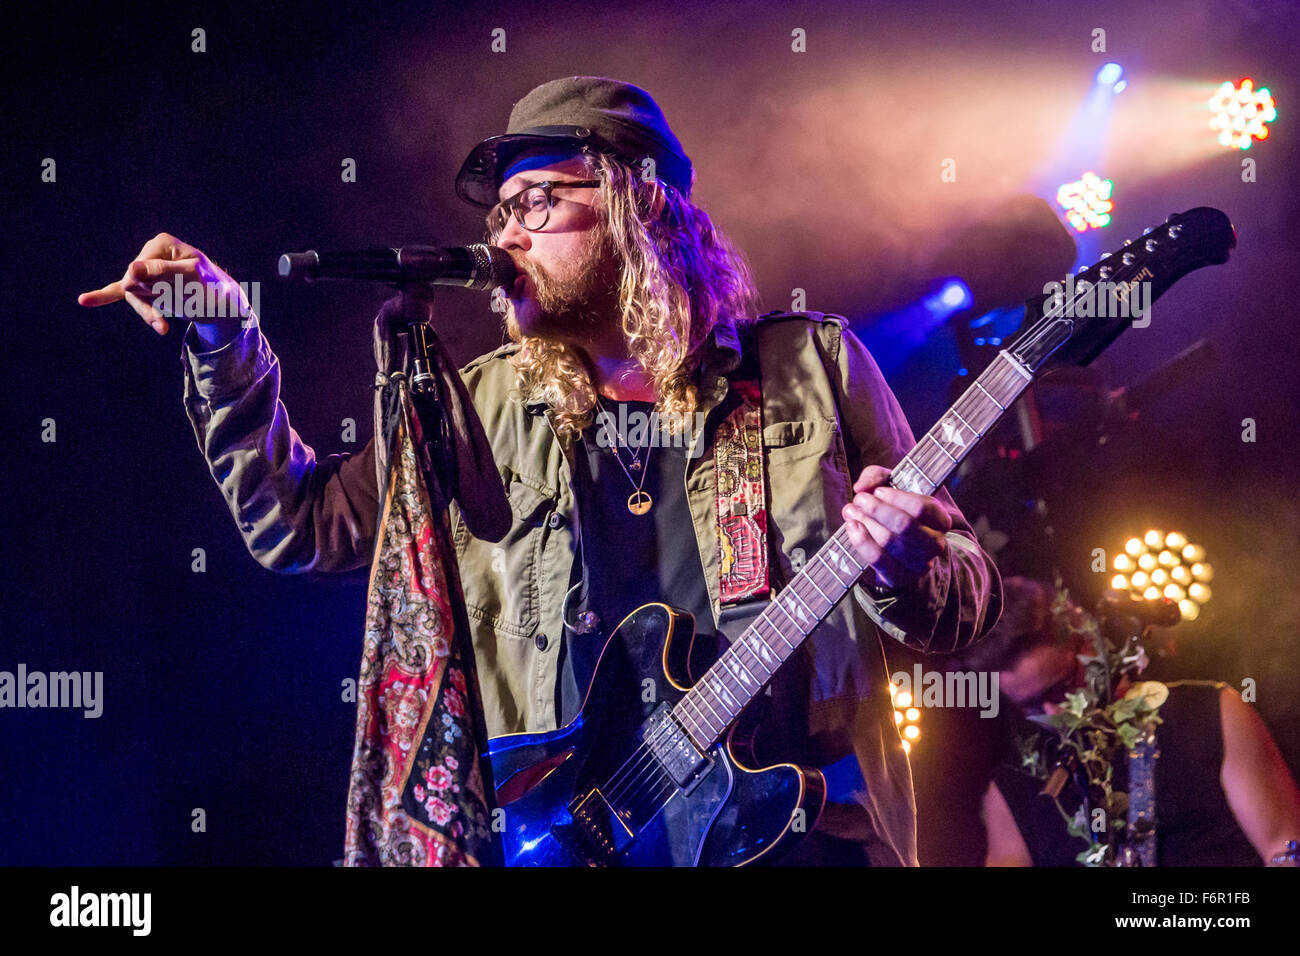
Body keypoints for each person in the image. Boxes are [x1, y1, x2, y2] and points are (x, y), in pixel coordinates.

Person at [78, 76, 1001, 866]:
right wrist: (224, 338)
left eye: (537, 204)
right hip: (574, 838)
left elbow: (968, 597)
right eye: (497, 213)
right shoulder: (470, 405)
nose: (506, 237)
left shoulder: (812, 367)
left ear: (640, 205)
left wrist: (906, 568)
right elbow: (303, 528)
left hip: (803, 832)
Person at [965, 577, 1300, 866]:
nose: (1054, 713)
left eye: (1062, 687)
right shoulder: (1014, 788)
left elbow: (1286, 850)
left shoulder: (1211, 711)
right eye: (1032, 705)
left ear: (1087, 641)